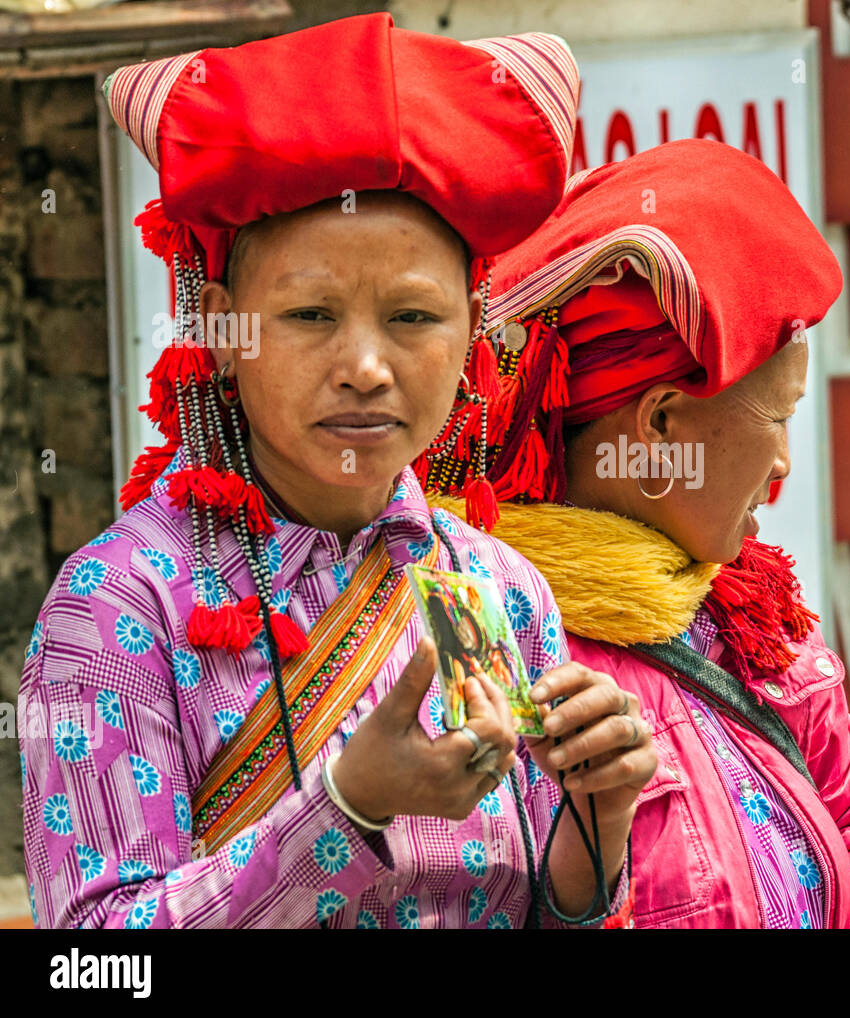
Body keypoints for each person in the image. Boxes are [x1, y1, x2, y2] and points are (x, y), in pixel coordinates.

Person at [18, 13, 655, 931]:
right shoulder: (119, 610)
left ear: (474, 332)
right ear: (224, 330)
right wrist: (345, 811)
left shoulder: (502, 591)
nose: (366, 365)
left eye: (413, 317)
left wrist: (596, 826)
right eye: (312, 315)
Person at [424, 139, 850, 928]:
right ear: (662, 427)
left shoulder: (738, 609)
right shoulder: (483, 642)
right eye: (777, 419)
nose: (784, 466)